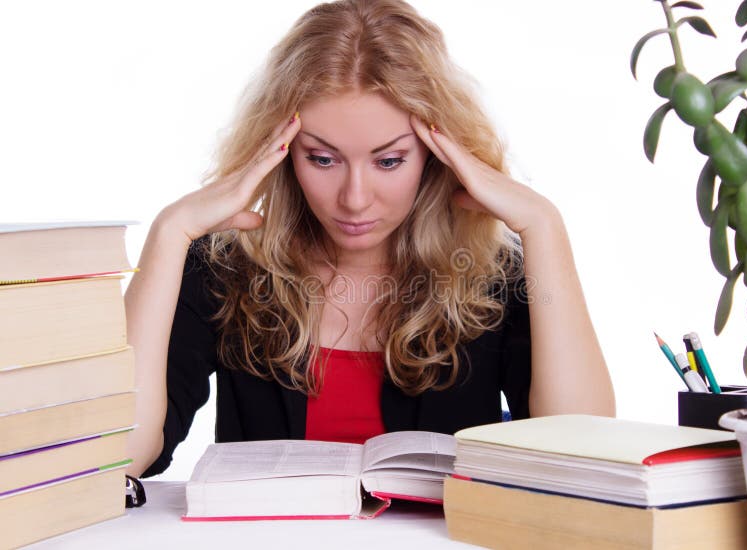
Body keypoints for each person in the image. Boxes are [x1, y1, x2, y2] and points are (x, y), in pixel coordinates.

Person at [125, 0, 615, 479]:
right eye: (322, 158)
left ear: (434, 154)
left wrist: (544, 227)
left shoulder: (493, 276)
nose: (355, 199)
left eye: (388, 161)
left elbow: (584, 461)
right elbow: (121, 458)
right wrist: (169, 233)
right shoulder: (222, 270)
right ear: (280, 151)